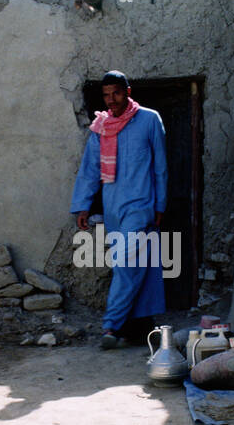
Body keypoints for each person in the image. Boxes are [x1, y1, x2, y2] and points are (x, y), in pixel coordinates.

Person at [71, 71, 167, 348]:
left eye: (116, 93)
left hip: (141, 205)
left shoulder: (149, 119)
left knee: (126, 263)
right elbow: (90, 169)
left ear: (127, 91)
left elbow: (160, 166)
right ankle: (141, 328)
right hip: (114, 208)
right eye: (106, 95)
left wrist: (160, 203)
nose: (111, 100)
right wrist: (82, 206)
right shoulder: (101, 126)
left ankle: (111, 326)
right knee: (140, 265)